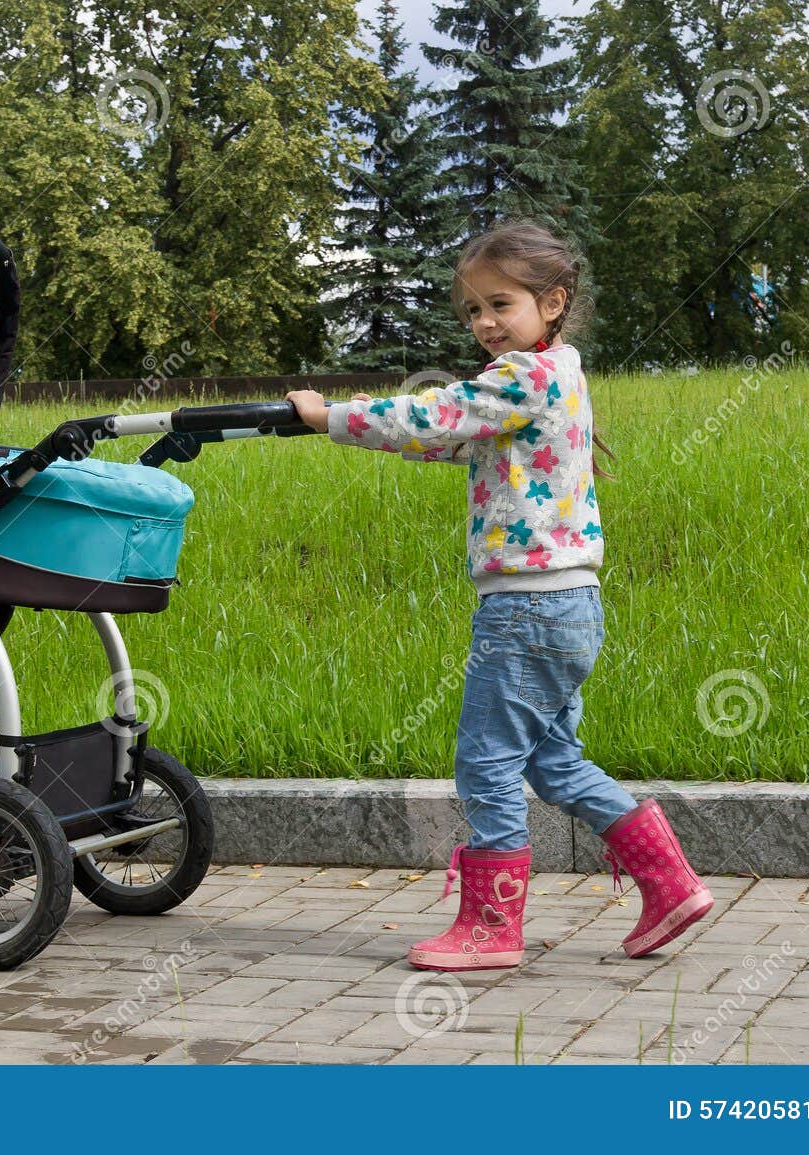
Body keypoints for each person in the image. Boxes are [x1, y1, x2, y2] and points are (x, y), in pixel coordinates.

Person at [285, 220, 713, 970]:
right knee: (553, 763)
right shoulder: (553, 378)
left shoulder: (525, 376)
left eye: (500, 304)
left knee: (485, 761)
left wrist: (333, 418)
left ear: (553, 303)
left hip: (526, 607)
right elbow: (449, 436)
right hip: (570, 604)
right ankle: (669, 880)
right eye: (473, 310)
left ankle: (490, 926)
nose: (484, 323)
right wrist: (363, 421)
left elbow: (437, 413)